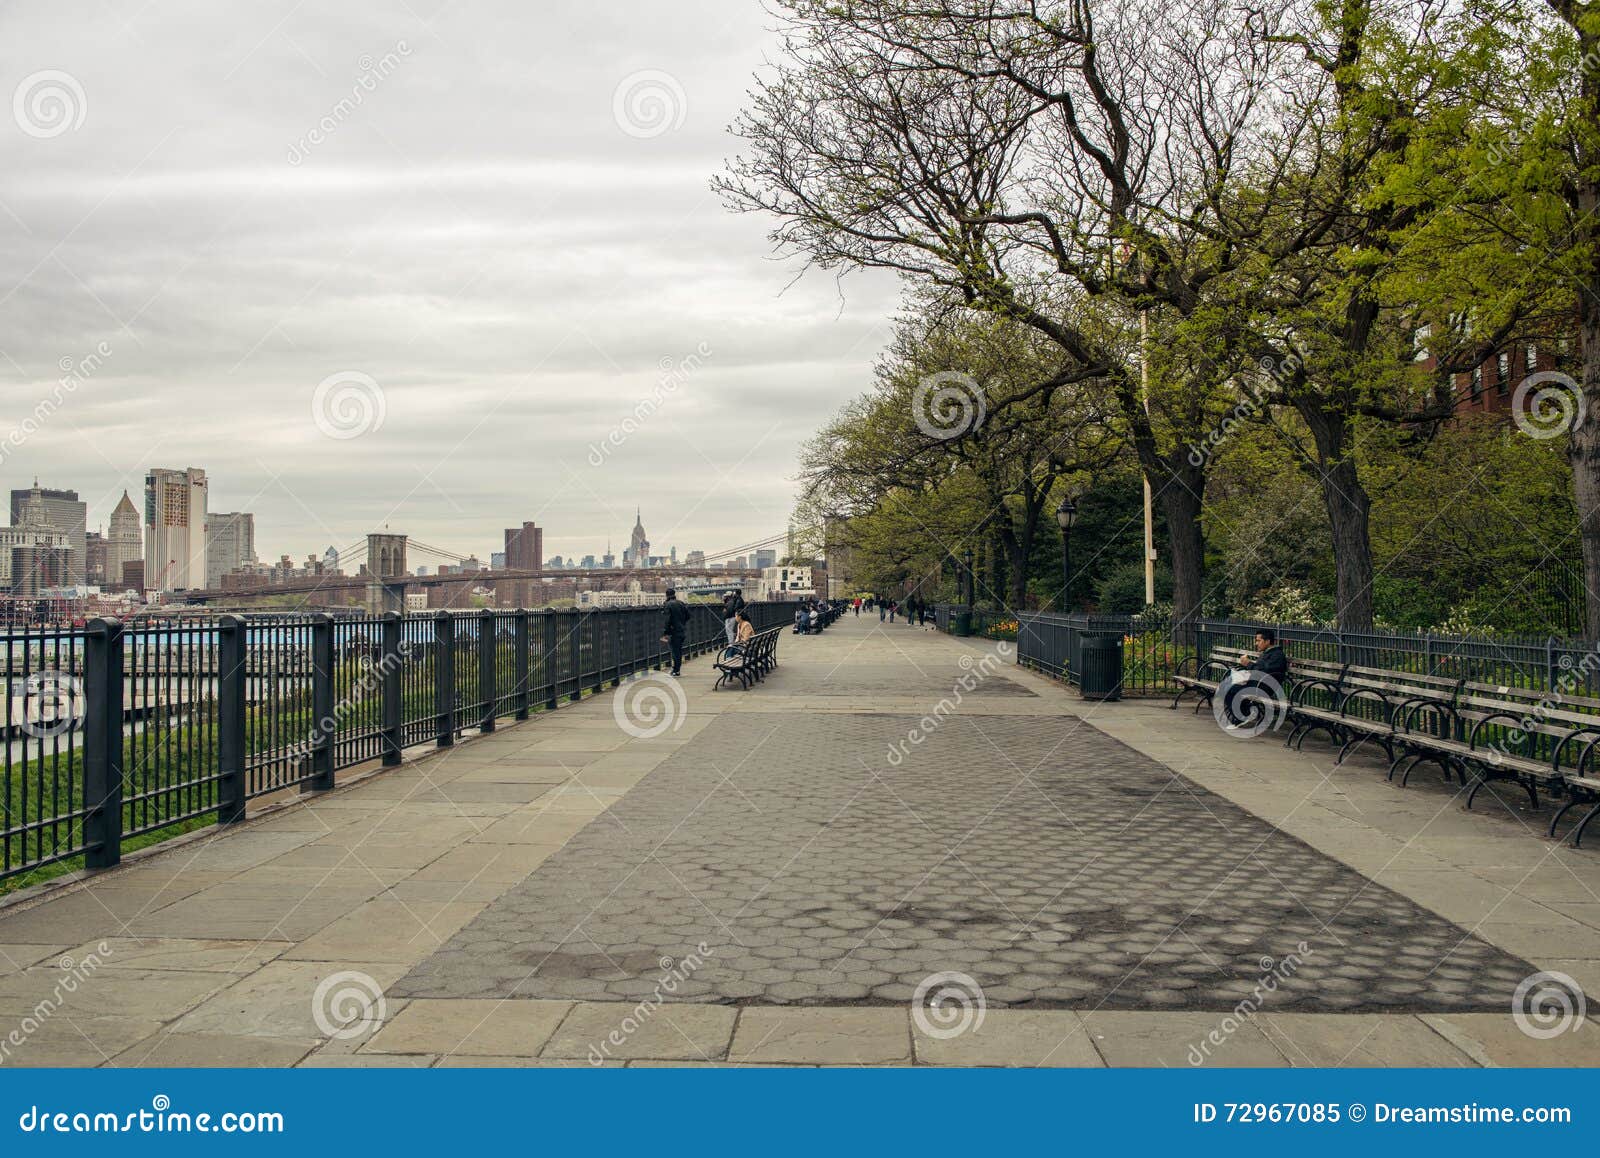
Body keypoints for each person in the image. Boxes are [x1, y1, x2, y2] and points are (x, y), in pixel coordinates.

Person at [1222, 629, 1290, 727]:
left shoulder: (1277, 655)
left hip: (1265, 687)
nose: (1256, 643)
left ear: (1267, 641)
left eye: (1258, 640)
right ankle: (1242, 715)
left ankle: (1241, 717)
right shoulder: (1267, 653)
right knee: (1227, 686)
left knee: (1230, 689)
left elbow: (1263, 672)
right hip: (1257, 683)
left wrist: (1248, 664)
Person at [660, 587, 691, 676]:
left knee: (675, 651)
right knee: (678, 651)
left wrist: (665, 632)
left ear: (667, 595)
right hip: (681, 630)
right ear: (674, 594)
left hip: (673, 631)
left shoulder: (668, 605)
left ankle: (676, 670)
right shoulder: (681, 603)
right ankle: (677, 669)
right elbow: (688, 616)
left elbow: (667, 620)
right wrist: (682, 623)